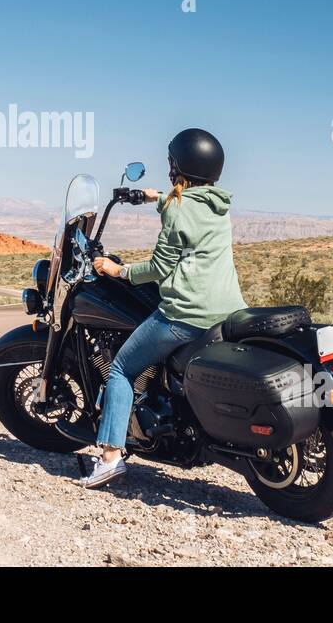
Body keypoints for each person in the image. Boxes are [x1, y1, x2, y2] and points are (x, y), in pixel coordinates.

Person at [78, 127, 248, 489]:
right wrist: (154, 197)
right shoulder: (218, 204)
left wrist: (118, 269)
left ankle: (109, 459)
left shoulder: (177, 208)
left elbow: (159, 267)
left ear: (178, 166)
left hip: (187, 314)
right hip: (229, 310)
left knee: (122, 368)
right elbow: (185, 208)